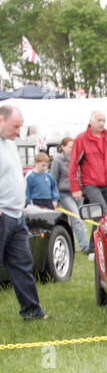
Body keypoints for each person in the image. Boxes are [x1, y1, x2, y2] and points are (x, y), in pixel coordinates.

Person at [0, 104, 49, 320]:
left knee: (22, 263)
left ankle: (32, 311)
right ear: (1, 120)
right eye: (15, 126)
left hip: (16, 215)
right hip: (2, 214)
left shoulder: (9, 144)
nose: (19, 132)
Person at [70, 110, 107, 215]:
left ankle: (96, 232)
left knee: (99, 215)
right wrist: (75, 188)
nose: (102, 123)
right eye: (99, 120)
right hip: (91, 184)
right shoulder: (81, 139)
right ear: (91, 122)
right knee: (102, 212)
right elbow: (73, 164)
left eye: (104, 121)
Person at [52, 137, 90, 253]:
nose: (72, 149)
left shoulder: (78, 159)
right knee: (76, 218)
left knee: (79, 221)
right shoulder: (57, 160)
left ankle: (71, 246)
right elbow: (53, 179)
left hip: (78, 193)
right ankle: (85, 247)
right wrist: (54, 198)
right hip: (64, 193)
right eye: (70, 147)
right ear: (62, 147)